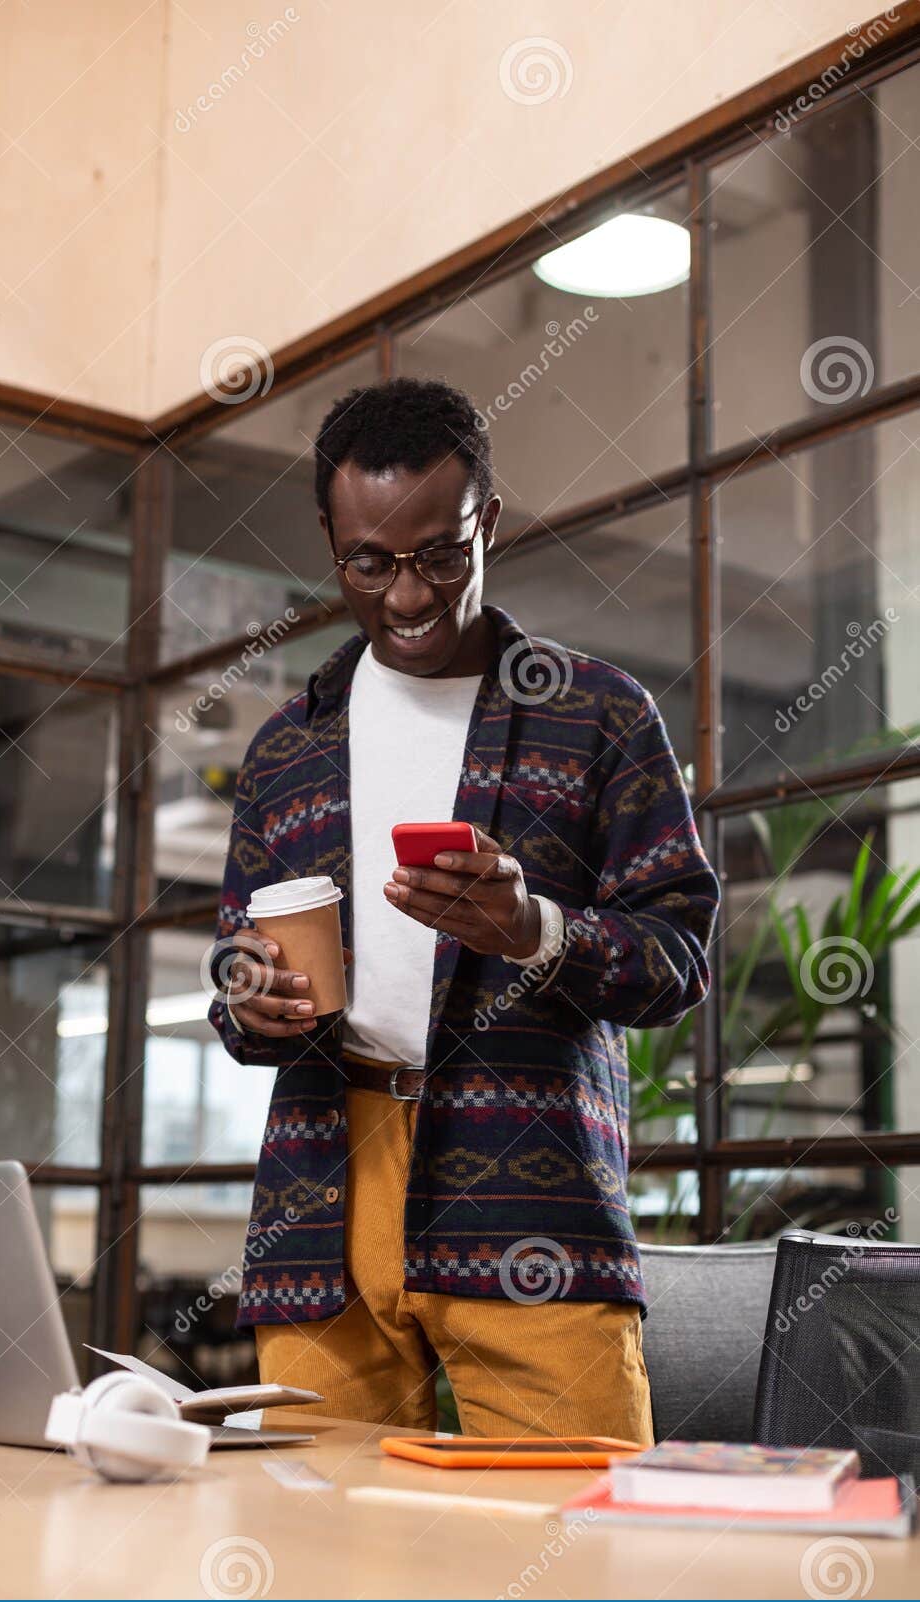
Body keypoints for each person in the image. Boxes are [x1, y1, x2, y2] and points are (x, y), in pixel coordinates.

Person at [208, 377, 719, 1440]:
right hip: (321, 1195)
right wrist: (245, 995)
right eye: (370, 563)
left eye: (441, 554)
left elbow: (676, 959)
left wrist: (533, 930)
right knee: (316, 1561)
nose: (405, 596)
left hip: (527, 1196)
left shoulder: (596, 714)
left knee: (572, 1558)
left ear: (487, 521)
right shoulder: (284, 749)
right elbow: (232, 959)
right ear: (329, 541)